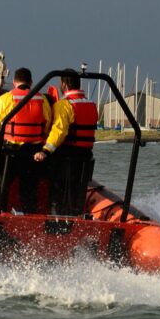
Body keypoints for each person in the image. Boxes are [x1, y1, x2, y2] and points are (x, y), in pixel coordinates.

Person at [0, 67, 52, 213]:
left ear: (14, 82)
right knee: (29, 190)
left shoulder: (5, 99)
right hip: (33, 154)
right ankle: (29, 216)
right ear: (31, 82)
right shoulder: (43, 100)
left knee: (0, 186)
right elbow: (47, 125)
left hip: (10, 153)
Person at [34, 68, 98, 215]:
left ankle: (54, 214)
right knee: (77, 190)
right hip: (86, 155)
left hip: (67, 155)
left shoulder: (64, 105)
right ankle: (76, 214)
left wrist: (45, 151)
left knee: (55, 184)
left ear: (64, 85)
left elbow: (59, 132)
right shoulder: (92, 104)